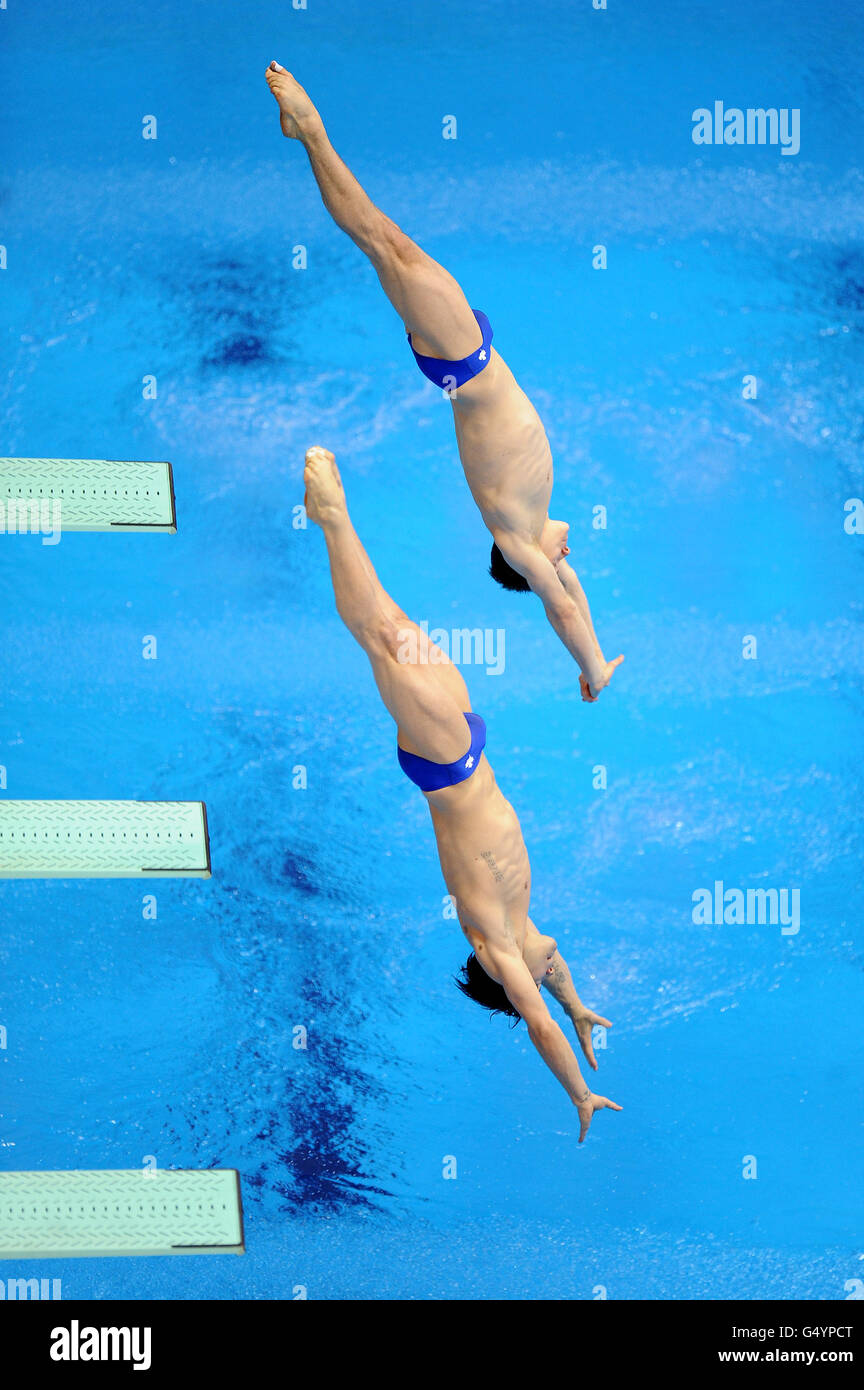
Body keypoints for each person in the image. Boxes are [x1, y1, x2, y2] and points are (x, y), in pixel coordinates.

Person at [267, 62, 624, 702]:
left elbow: (560, 607)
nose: (571, 561)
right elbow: (576, 600)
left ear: (537, 565)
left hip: (463, 359)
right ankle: (309, 134)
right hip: (465, 357)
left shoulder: (517, 540)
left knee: (379, 237)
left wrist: (592, 670)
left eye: (563, 564)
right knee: (382, 241)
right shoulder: (529, 524)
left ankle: (311, 132)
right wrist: (594, 660)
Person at [303, 445, 621, 1142]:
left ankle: (331, 519)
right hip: (465, 742)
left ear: (505, 979)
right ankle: (335, 522)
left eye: (544, 983)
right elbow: (554, 981)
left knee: (380, 638)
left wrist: (577, 1093)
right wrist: (577, 1008)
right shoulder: (528, 935)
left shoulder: (496, 944)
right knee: (395, 626)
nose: (555, 969)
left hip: (445, 763)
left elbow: (533, 1019)